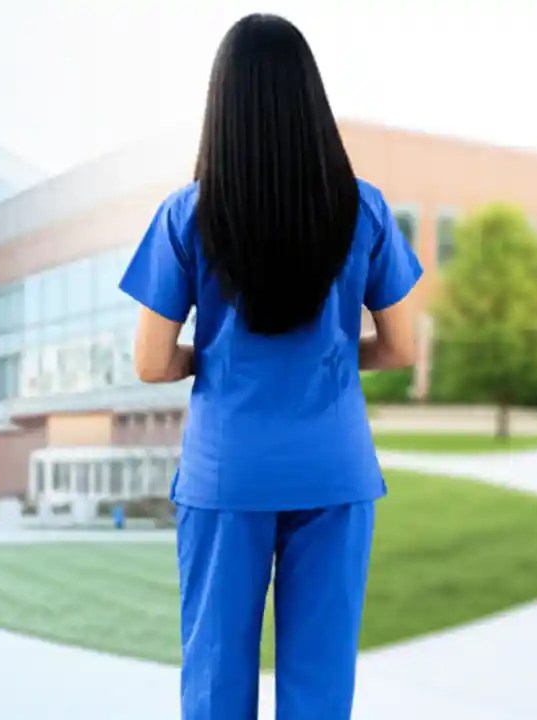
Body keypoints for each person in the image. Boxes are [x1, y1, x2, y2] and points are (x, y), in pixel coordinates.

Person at [118, 13, 422, 719]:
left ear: (222, 103)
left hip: (226, 475)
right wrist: (338, 357)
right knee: (320, 692)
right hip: (334, 471)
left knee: (216, 686)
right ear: (309, 99)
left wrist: (217, 356)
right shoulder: (363, 210)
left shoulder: (186, 216)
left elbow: (152, 362)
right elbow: (403, 348)